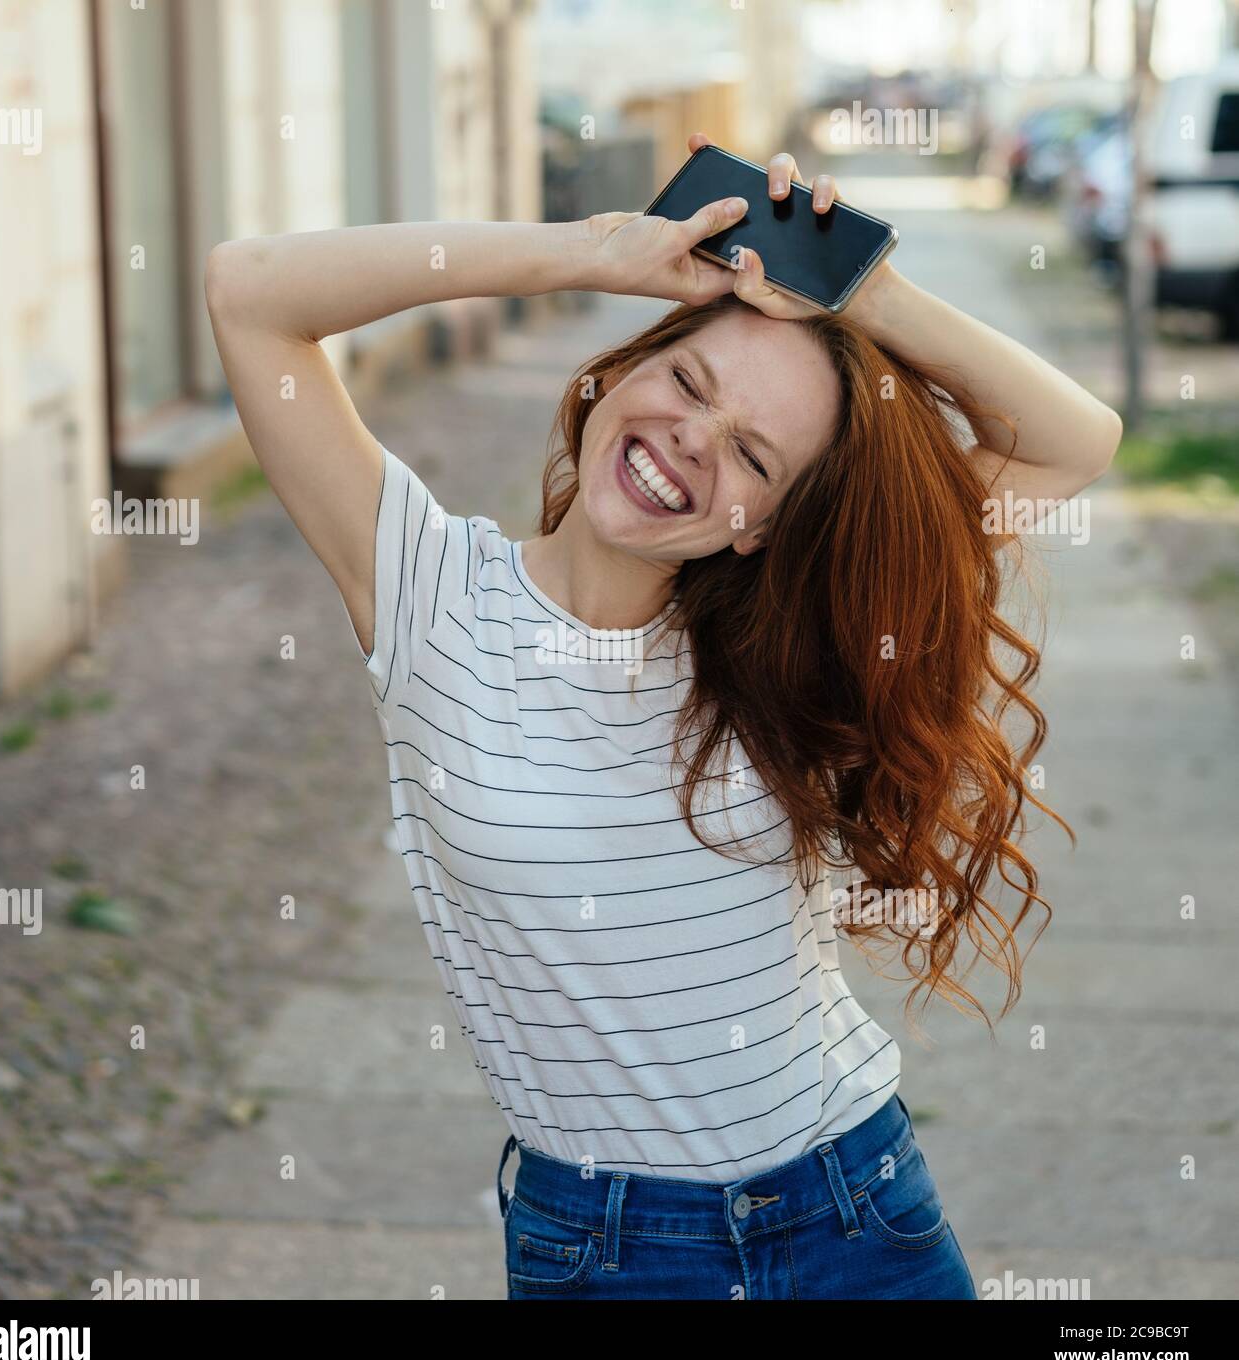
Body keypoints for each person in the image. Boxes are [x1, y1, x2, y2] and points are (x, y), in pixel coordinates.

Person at [205, 132, 1122, 1300]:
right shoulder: (428, 592)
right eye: (688, 383)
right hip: (610, 1251)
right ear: (613, 374)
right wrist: (594, 253)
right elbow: (251, 292)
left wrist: (869, 291)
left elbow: (1073, 443)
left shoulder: (786, 624)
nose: (695, 437)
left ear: (759, 528)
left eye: (753, 454)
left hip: (854, 1209)